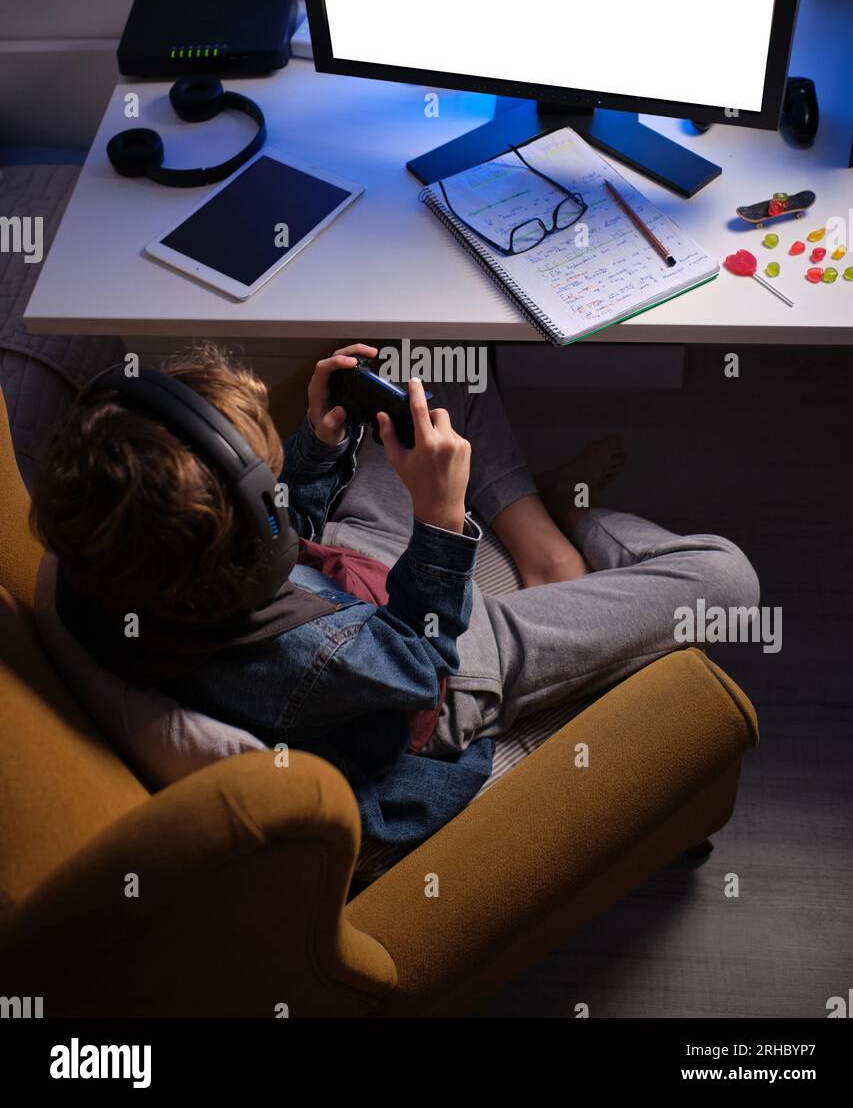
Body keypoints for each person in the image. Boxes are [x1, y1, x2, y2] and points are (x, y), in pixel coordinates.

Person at [30, 342, 759, 848]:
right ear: (254, 539)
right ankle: (559, 529)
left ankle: (535, 528)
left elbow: (278, 533)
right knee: (728, 581)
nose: (276, 482)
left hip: (340, 574)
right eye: (267, 472)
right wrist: (439, 522)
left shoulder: (126, 568)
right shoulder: (303, 663)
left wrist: (315, 447)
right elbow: (418, 667)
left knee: (431, 372)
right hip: (428, 662)